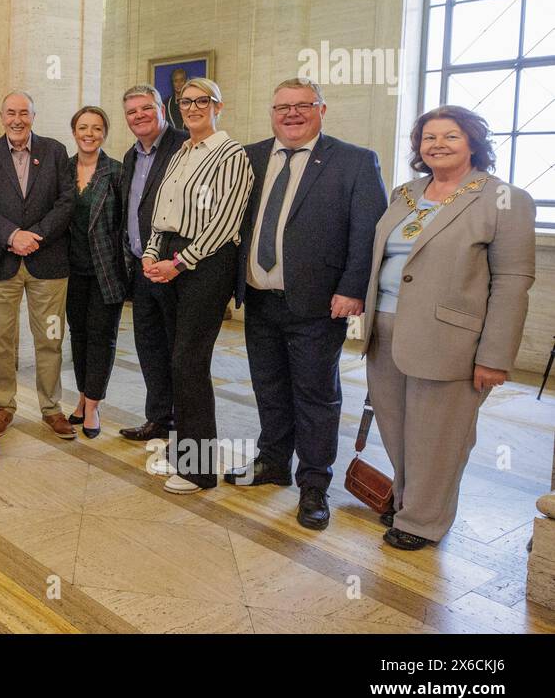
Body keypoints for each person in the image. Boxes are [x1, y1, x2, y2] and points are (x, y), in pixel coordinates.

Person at [360, 105, 534, 550]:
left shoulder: (504, 199)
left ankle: (422, 521)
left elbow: (512, 282)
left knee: (438, 437)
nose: (437, 144)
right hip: (385, 329)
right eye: (429, 137)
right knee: (396, 429)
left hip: (451, 339)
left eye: (450, 136)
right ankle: (408, 501)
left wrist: (494, 356)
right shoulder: (405, 193)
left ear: (473, 142)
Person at [227, 78, 386, 530]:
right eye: (282, 107)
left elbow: (368, 232)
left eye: (303, 105)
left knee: (316, 395)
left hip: (318, 304)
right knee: (269, 386)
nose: (292, 114)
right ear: (272, 113)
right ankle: (273, 461)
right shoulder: (251, 157)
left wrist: (352, 288)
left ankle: (314, 483)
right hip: (260, 298)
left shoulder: (354, 161)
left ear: (322, 110)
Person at [142, 78, 252, 493]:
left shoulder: (231, 154)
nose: (192, 108)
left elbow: (225, 222)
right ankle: (183, 451)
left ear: (218, 106)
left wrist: (179, 263)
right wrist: (152, 253)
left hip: (206, 262)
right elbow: (162, 212)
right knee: (177, 360)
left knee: (190, 362)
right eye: (185, 102)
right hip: (171, 254)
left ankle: (199, 469)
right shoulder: (181, 153)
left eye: (202, 101)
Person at [0, 91, 76, 440]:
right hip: (0, 261)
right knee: (0, 339)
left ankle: (52, 408)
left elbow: (66, 201)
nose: (17, 119)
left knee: (51, 338)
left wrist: (34, 236)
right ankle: (3, 405)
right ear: (1, 116)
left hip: (49, 262)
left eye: (24, 113)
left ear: (33, 116)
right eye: (11, 112)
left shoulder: (55, 152)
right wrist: (13, 235)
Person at [116, 85, 187, 442]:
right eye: (132, 112)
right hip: (141, 269)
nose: (139, 116)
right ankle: (159, 418)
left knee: (181, 351)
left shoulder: (185, 147)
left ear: (161, 108)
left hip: (175, 270)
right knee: (150, 347)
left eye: (146, 108)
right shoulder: (130, 156)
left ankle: (188, 425)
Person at [64, 106, 127, 440]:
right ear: (74, 132)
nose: (89, 134)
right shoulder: (62, 170)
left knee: (102, 337)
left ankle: (93, 406)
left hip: (106, 271)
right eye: (83, 127)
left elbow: (126, 225)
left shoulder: (116, 172)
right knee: (78, 336)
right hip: (70, 271)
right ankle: (82, 395)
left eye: (97, 128)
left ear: (105, 133)